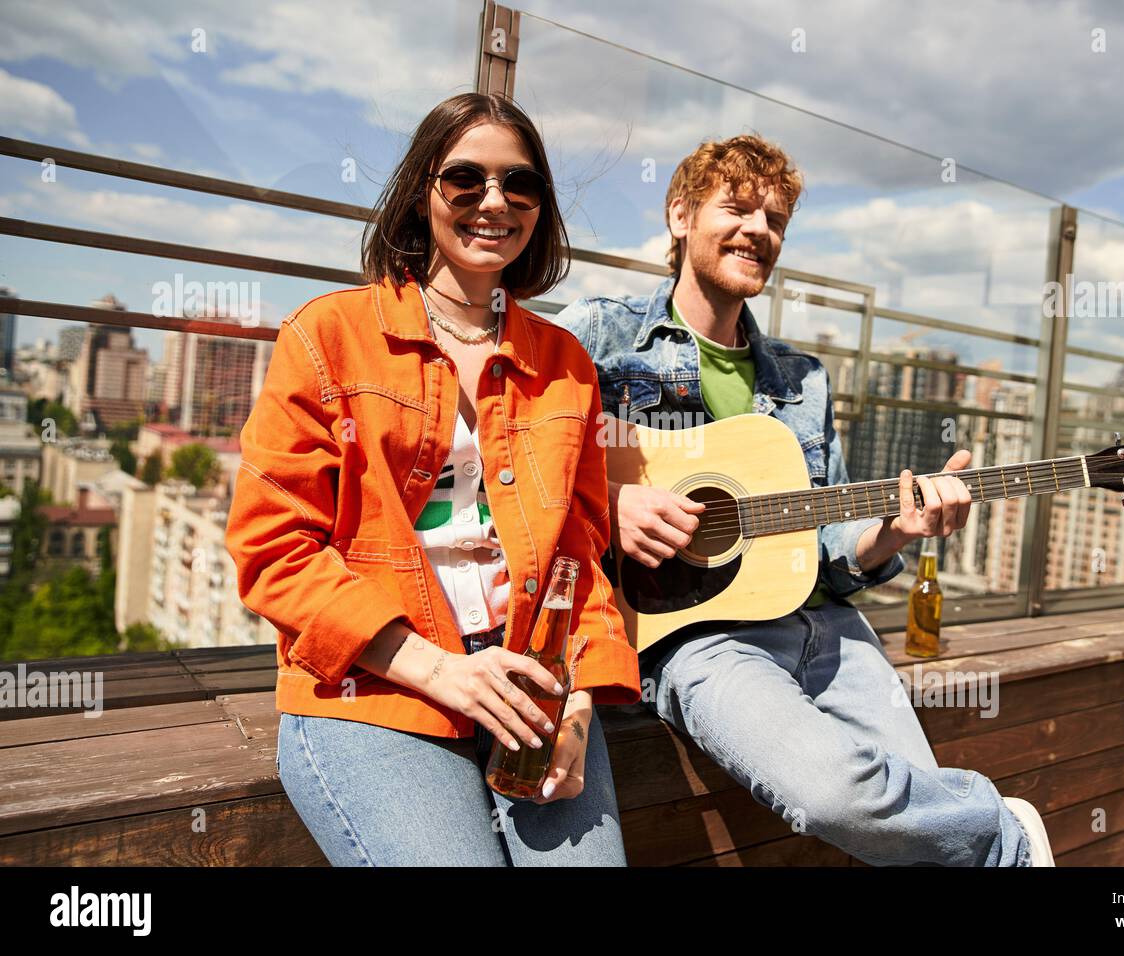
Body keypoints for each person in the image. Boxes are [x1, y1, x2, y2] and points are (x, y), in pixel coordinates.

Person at [552, 134, 1055, 866]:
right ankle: (1002, 832)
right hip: (697, 639)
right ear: (679, 214)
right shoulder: (601, 333)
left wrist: (892, 532)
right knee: (839, 798)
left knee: (917, 837)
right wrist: (613, 500)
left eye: (776, 219)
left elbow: (824, 540)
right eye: (738, 208)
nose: (761, 230)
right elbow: (508, 451)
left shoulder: (801, 378)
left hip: (826, 628)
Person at [225, 92, 641, 866]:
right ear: (424, 193)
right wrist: (442, 671)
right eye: (465, 179)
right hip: (376, 681)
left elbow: (578, 559)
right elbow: (273, 545)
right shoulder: (328, 336)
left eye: (520, 184)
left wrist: (579, 702)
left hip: (530, 677)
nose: (495, 201)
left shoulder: (565, 365)